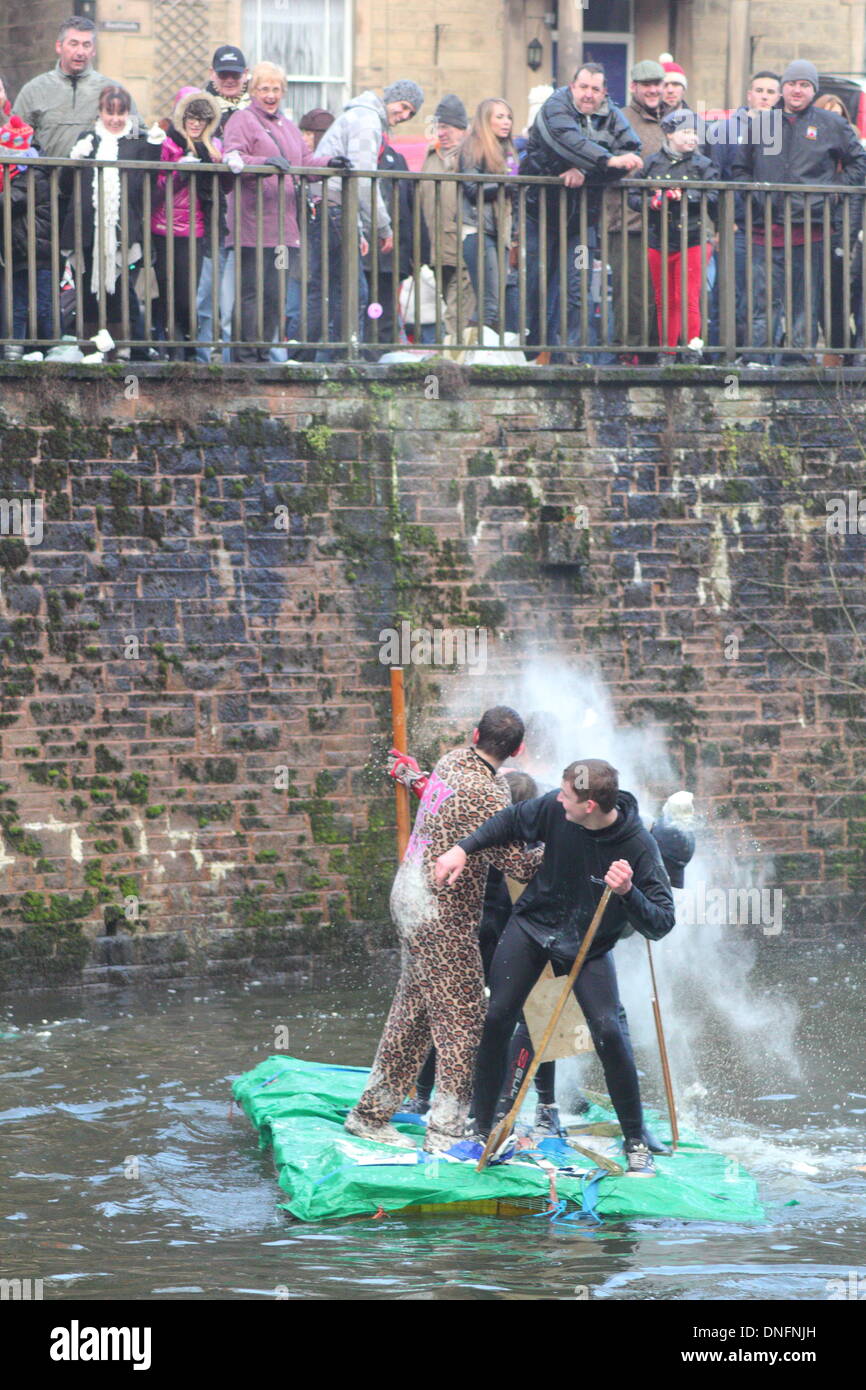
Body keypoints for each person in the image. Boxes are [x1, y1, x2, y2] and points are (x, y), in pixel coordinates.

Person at [436, 758, 676, 1176]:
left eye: (566, 795)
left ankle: (635, 1140)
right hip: (533, 926)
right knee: (497, 1017)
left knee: (608, 1031)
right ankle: (481, 1127)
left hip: (589, 944)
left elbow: (661, 922)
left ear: (589, 806)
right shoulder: (554, 810)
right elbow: (509, 820)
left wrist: (628, 891)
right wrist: (462, 848)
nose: (557, 798)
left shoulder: (637, 844)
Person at [344, 707, 542, 1154]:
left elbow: (432, 788)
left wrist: (412, 778)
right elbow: (518, 864)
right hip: (441, 913)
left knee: (412, 1013)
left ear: (475, 735)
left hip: (408, 896)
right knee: (463, 1022)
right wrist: (566, 849)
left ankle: (369, 1115)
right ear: (518, 750)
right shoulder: (490, 794)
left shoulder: (452, 761)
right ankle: (447, 1133)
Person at [731, 59, 866, 364]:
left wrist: (834, 189)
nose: (797, 90)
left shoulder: (832, 124)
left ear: (813, 89)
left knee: (804, 305)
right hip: (765, 228)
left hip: (812, 230)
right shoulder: (762, 123)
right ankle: (757, 360)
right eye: (792, 83)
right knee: (761, 302)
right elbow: (740, 168)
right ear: (783, 87)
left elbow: (860, 162)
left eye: (804, 85)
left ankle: (799, 364)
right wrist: (752, 197)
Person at [521, 65, 643, 361]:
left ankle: (570, 355)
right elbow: (566, 143)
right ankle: (535, 350)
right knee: (540, 281)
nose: (588, 94)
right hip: (543, 215)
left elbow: (631, 154)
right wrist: (606, 160)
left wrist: (587, 172)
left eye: (595, 89)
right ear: (572, 86)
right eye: (583, 87)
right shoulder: (554, 107)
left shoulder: (612, 115)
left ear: (604, 93)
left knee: (578, 286)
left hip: (583, 221)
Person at [221, 62, 334, 363]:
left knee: (274, 293)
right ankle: (244, 356)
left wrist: (332, 163)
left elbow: (306, 162)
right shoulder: (242, 120)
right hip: (252, 224)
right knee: (251, 291)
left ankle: (261, 352)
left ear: (283, 92)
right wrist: (264, 161)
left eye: (275, 89)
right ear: (253, 91)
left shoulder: (286, 125)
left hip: (285, 229)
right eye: (263, 89)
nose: (270, 95)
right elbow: (232, 157)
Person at [307, 80, 423, 359]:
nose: (405, 115)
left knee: (332, 290)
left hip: (330, 207)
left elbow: (352, 180)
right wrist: (383, 227)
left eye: (411, 113)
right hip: (332, 208)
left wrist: (358, 229)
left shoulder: (362, 117)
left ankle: (320, 358)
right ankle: (342, 360)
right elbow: (362, 180)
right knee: (352, 292)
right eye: (404, 106)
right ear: (391, 98)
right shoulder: (367, 120)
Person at [62, 85, 156, 356]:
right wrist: (75, 159)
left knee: (120, 286)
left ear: (128, 113)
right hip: (87, 225)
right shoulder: (87, 137)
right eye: (109, 112)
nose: (115, 118)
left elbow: (145, 181)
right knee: (88, 286)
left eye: (121, 112)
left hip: (122, 226)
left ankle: (121, 347)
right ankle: (91, 347)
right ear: (100, 112)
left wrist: (157, 145)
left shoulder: (138, 139)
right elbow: (68, 186)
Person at [634, 108, 717, 363]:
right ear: (669, 134)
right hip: (659, 238)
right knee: (664, 299)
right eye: (686, 132)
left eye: (695, 132)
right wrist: (652, 201)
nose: (692, 138)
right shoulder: (651, 162)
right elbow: (632, 195)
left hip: (693, 237)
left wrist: (685, 195)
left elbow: (713, 196)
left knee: (688, 297)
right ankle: (667, 351)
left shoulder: (703, 164)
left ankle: (692, 349)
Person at [705, 71, 781, 349]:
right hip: (736, 225)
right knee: (728, 292)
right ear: (749, 95)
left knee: (766, 293)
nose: (764, 96)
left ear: (778, 97)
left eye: (770, 91)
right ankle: (719, 355)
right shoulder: (725, 129)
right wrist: (722, 222)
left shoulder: (784, 130)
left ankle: (760, 355)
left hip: (773, 227)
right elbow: (715, 178)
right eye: (759, 90)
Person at [151, 88, 222, 359]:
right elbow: (155, 191)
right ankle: (170, 351)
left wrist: (222, 165)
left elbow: (222, 192)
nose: (195, 123)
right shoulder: (166, 143)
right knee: (168, 292)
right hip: (165, 228)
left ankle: (188, 352)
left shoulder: (213, 147)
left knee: (188, 295)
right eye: (190, 117)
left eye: (201, 118)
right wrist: (180, 171)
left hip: (197, 230)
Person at [605, 60, 666, 362]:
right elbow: (606, 164)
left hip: (668, 225)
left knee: (662, 294)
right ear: (633, 87)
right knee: (631, 294)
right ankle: (628, 356)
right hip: (628, 221)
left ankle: (658, 356)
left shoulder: (675, 118)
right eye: (646, 84)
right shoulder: (618, 119)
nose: (653, 89)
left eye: (657, 83)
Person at [12, 15, 139, 159]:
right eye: (74, 44)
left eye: (86, 45)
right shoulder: (34, 90)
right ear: (59, 46)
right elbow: (14, 136)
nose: (80, 52)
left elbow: (136, 133)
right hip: (46, 179)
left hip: (97, 179)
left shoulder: (114, 91)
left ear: (93, 50)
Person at [195, 45, 251, 364]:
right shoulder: (199, 108)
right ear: (213, 74)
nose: (229, 80)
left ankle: (231, 363)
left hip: (248, 218)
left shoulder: (255, 109)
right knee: (205, 296)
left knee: (236, 299)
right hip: (211, 215)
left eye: (235, 74)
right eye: (223, 74)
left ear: (245, 76)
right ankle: (202, 361)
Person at [456, 98, 519, 336]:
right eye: (500, 117)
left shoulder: (509, 151)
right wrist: (507, 183)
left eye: (509, 117)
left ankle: (484, 351)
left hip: (500, 230)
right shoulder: (472, 146)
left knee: (498, 300)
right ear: (485, 120)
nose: (506, 122)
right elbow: (472, 189)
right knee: (489, 302)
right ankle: (476, 354)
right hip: (477, 228)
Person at [813, 93, 865, 365]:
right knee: (819, 296)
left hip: (845, 236)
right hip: (814, 232)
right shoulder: (812, 151)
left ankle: (844, 352)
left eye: (839, 115)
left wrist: (848, 235)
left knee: (844, 298)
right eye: (829, 114)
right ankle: (835, 349)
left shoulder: (854, 152)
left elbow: (856, 200)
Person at [419, 94, 476, 339]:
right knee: (451, 310)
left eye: (447, 127)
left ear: (462, 130)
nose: (441, 132)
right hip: (436, 249)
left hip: (464, 247)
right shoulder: (430, 156)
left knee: (456, 314)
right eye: (439, 127)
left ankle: (454, 364)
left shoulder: (471, 156)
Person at [0, 114, 52, 359]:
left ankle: (47, 346)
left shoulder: (32, 173)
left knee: (37, 302)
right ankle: (15, 347)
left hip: (34, 246)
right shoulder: (13, 175)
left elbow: (11, 200)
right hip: (18, 246)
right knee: (18, 300)